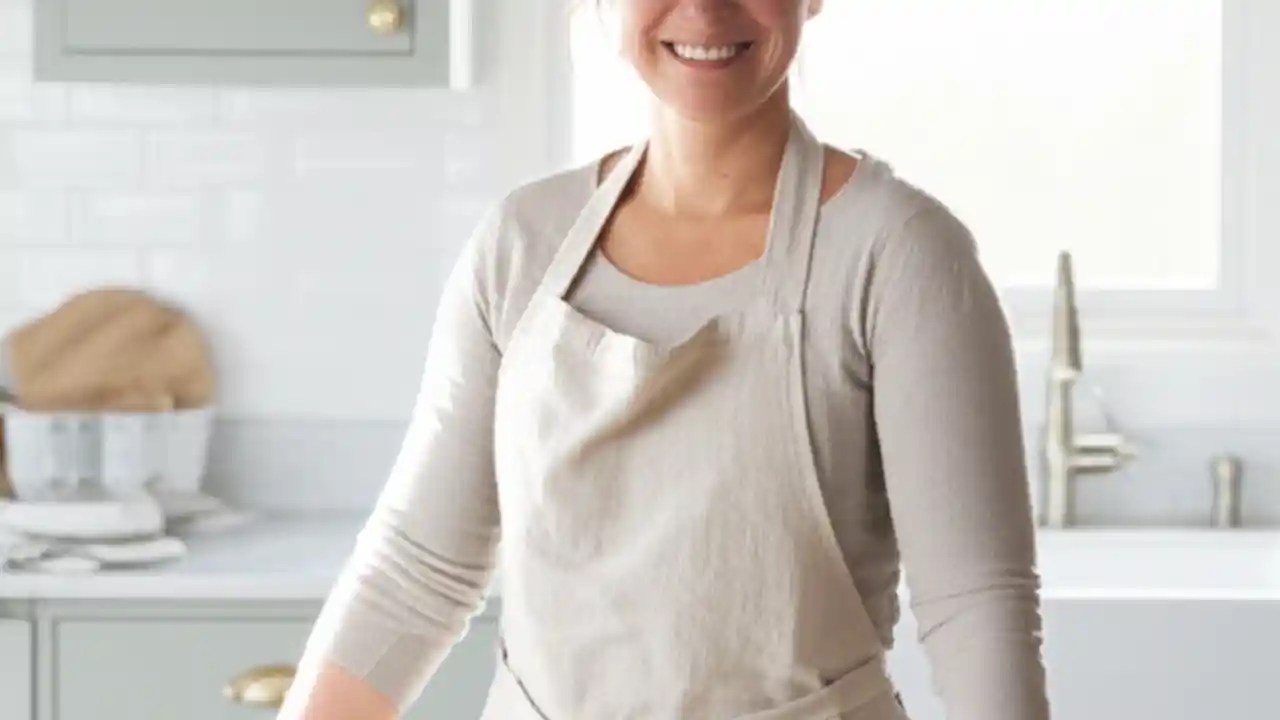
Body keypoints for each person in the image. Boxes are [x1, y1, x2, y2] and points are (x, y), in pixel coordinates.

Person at [280, 1, 1051, 718]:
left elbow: (974, 606)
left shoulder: (899, 254)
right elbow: (417, 574)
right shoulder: (523, 243)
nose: (706, 9)